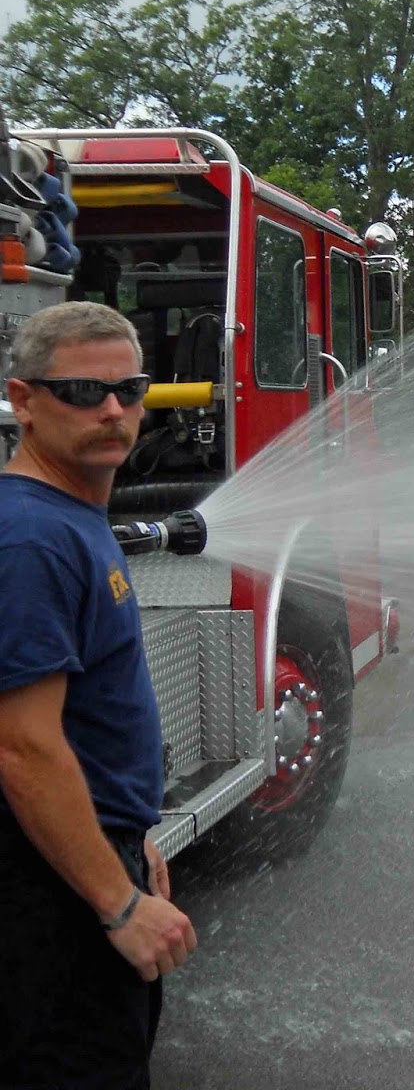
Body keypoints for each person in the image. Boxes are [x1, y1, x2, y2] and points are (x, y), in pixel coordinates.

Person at [0, 301, 197, 1088]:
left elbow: (74, 721)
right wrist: (117, 903)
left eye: (130, 390)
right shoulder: (31, 539)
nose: (113, 411)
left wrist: (124, 824)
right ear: (23, 400)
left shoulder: (68, 518)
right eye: (82, 392)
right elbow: (21, 745)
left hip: (77, 856)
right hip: (46, 899)